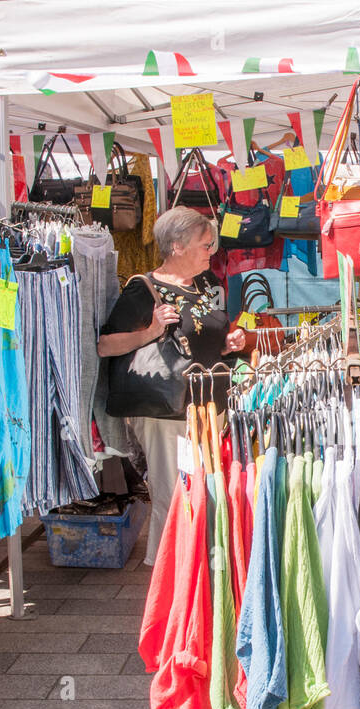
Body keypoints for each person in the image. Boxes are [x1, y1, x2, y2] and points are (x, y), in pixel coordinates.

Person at [99, 206, 250, 564]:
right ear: (177, 246)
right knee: (172, 490)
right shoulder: (143, 288)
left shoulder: (205, 284)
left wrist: (230, 343)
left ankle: (197, 564)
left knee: (201, 486)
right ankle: (168, 570)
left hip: (209, 402)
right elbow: (105, 345)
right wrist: (151, 331)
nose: (210, 252)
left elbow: (204, 337)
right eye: (205, 244)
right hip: (166, 408)